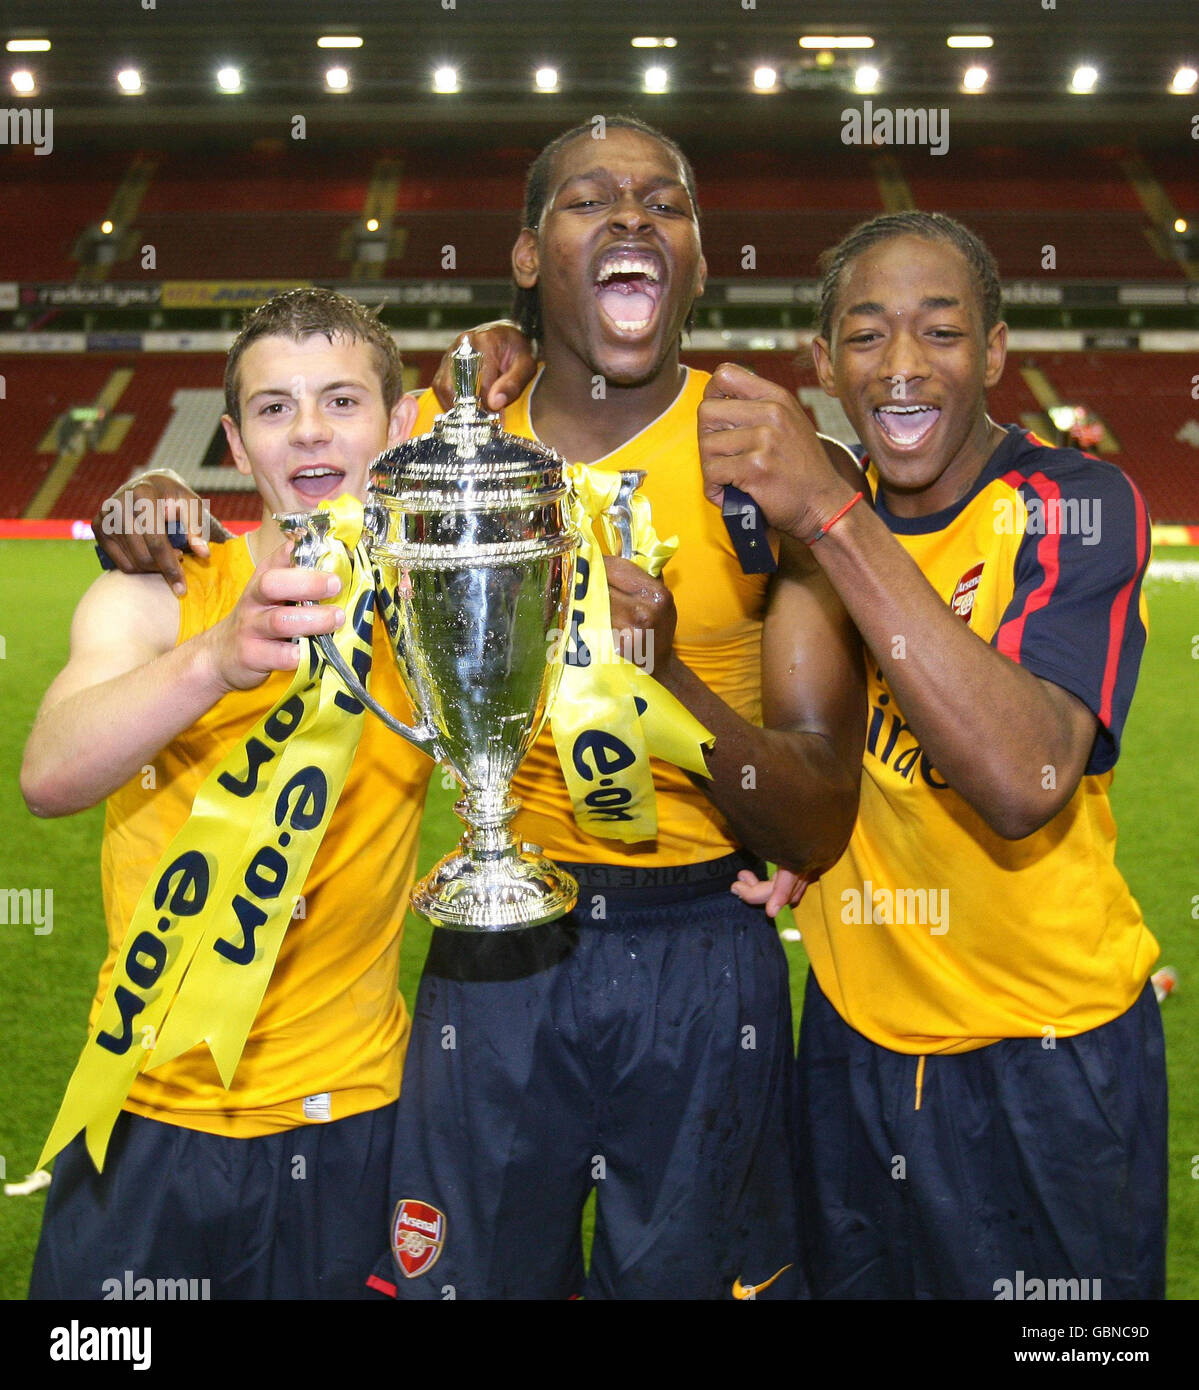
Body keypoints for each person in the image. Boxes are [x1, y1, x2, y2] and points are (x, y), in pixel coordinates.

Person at [360, 116, 864, 1302]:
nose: (635, 216)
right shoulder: (453, 458)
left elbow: (815, 825)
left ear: (694, 258)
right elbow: (300, 498)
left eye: (666, 203)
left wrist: (672, 686)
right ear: (530, 257)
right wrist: (150, 501)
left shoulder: (764, 462)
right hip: (492, 952)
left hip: (700, 958)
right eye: (593, 200)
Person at [715, 212, 1164, 1299]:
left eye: (941, 332)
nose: (902, 366)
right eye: (864, 337)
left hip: (1046, 1056)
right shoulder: (799, 535)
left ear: (995, 352)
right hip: (852, 1039)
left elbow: (1023, 781)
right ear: (821, 364)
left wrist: (832, 515)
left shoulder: (1072, 505)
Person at [21, 288, 432, 1299]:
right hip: (147, 1108)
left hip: (352, 1116)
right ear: (238, 445)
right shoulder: (158, 586)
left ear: (398, 425)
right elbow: (49, 774)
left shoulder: (438, 600)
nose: (308, 430)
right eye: (272, 407)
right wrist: (213, 659)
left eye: (341, 401)